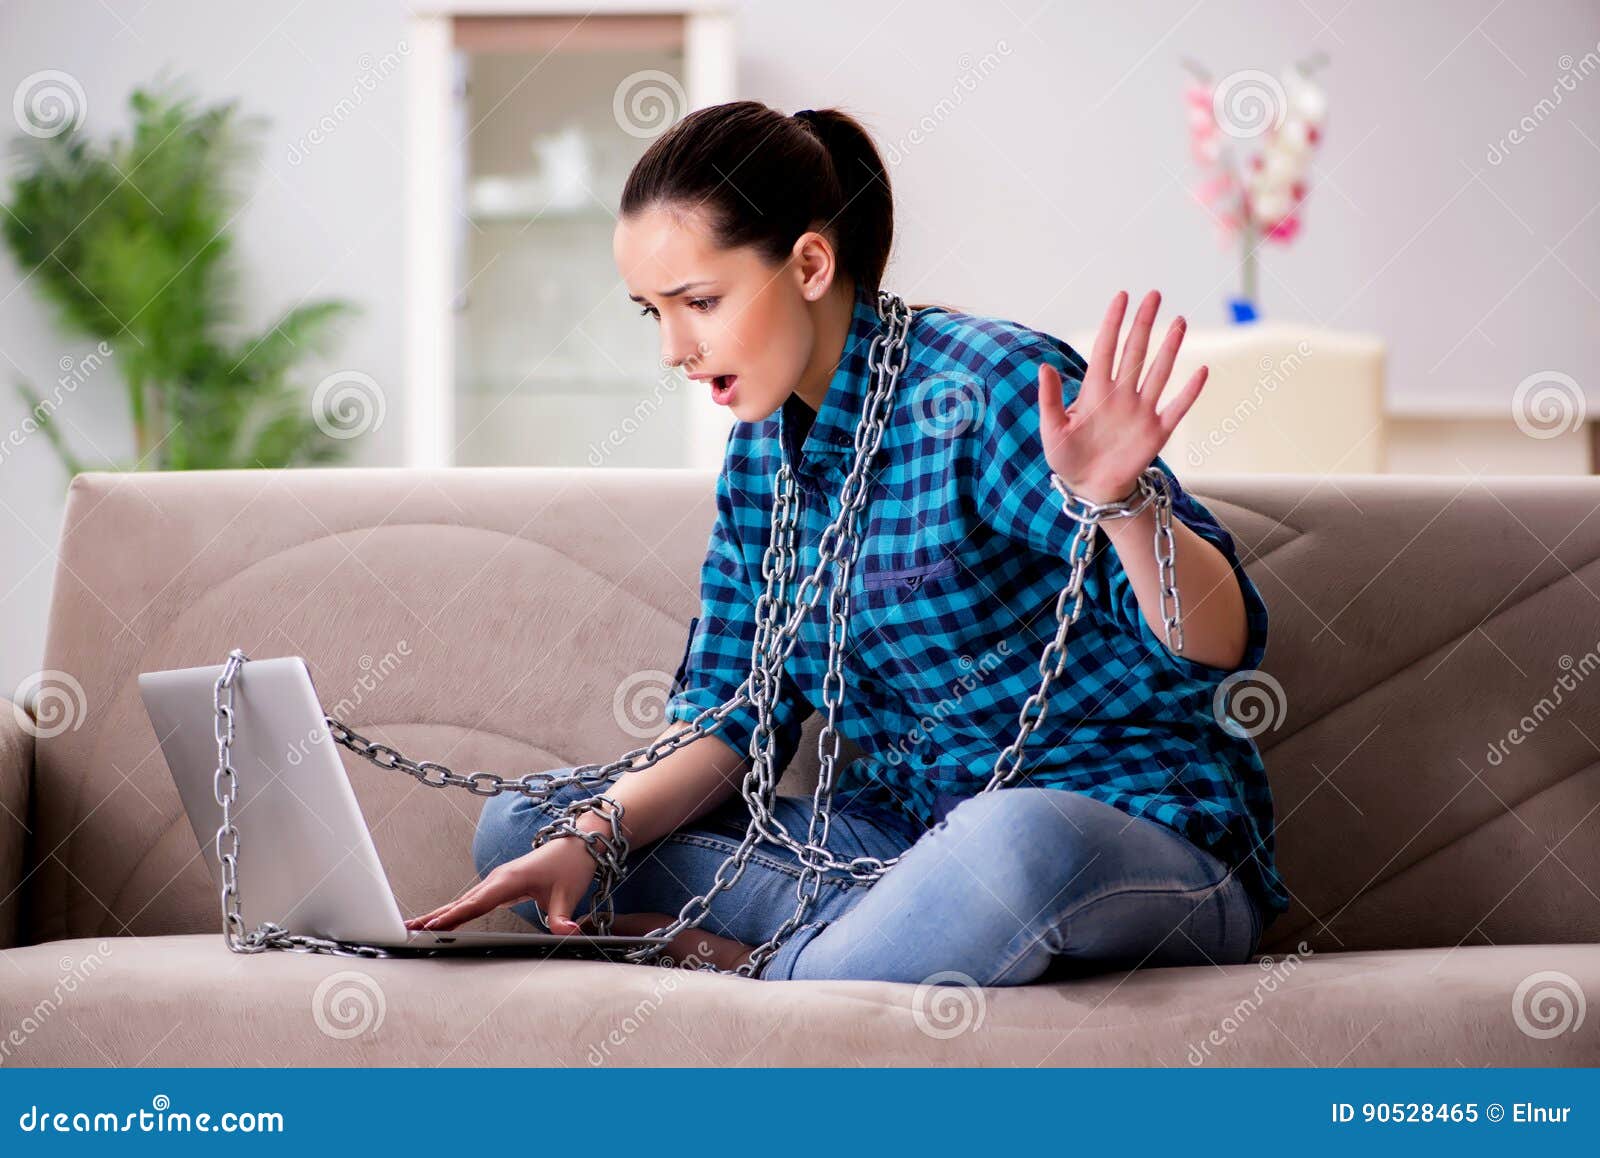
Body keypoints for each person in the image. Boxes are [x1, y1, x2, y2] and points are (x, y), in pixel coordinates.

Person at [408, 100, 1289, 985]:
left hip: (1126, 837)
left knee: (1008, 842)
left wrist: (1126, 506)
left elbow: (1221, 649)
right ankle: (887, 942)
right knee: (530, 830)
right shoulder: (760, 455)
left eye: (700, 302)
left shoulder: (986, 387)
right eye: (653, 313)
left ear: (810, 265)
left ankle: (774, 971)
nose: (675, 349)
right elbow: (731, 716)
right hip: (901, 841)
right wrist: (594, 837)